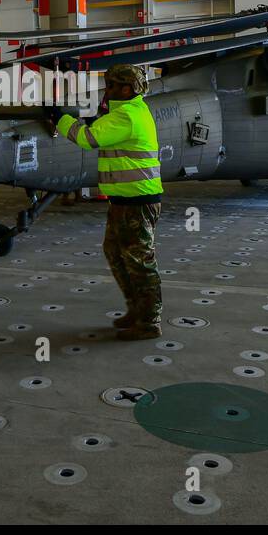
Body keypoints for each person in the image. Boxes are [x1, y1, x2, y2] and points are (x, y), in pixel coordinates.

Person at [52, 64, 164, 340]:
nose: (107, 90)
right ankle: (136, 310)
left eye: (112, 85)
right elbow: (100, 129)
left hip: (137, 200)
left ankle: (149, 322)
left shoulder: (127, 115)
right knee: (115, 253)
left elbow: (87, 138)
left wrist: (58, 118)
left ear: (126, 89)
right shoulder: (125, 112)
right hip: (125, 201)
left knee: (140, 261)